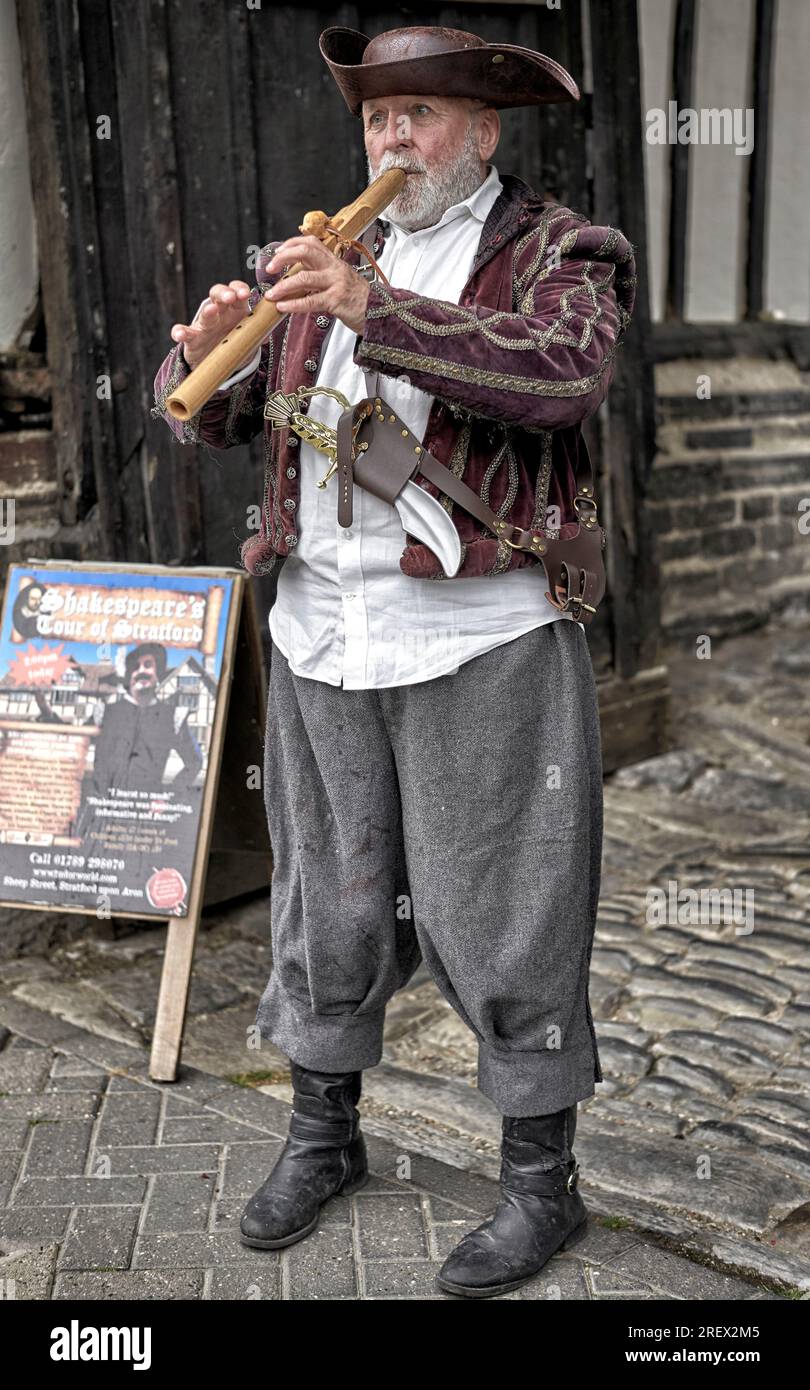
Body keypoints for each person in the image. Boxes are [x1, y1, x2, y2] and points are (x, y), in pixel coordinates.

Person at [152, 23, 636, 1299]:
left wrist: (376, 307)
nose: (393, 141)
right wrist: (206, 350)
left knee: (505, 908)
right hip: (322, 627)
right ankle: (325, 1135)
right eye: (379, 119)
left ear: (483, 129)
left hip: (481, 630)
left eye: (419, 115)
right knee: (331, 898)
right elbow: (233, 417)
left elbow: (563, 376)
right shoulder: (317, 252)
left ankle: (543, 1185)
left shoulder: (560, 253)